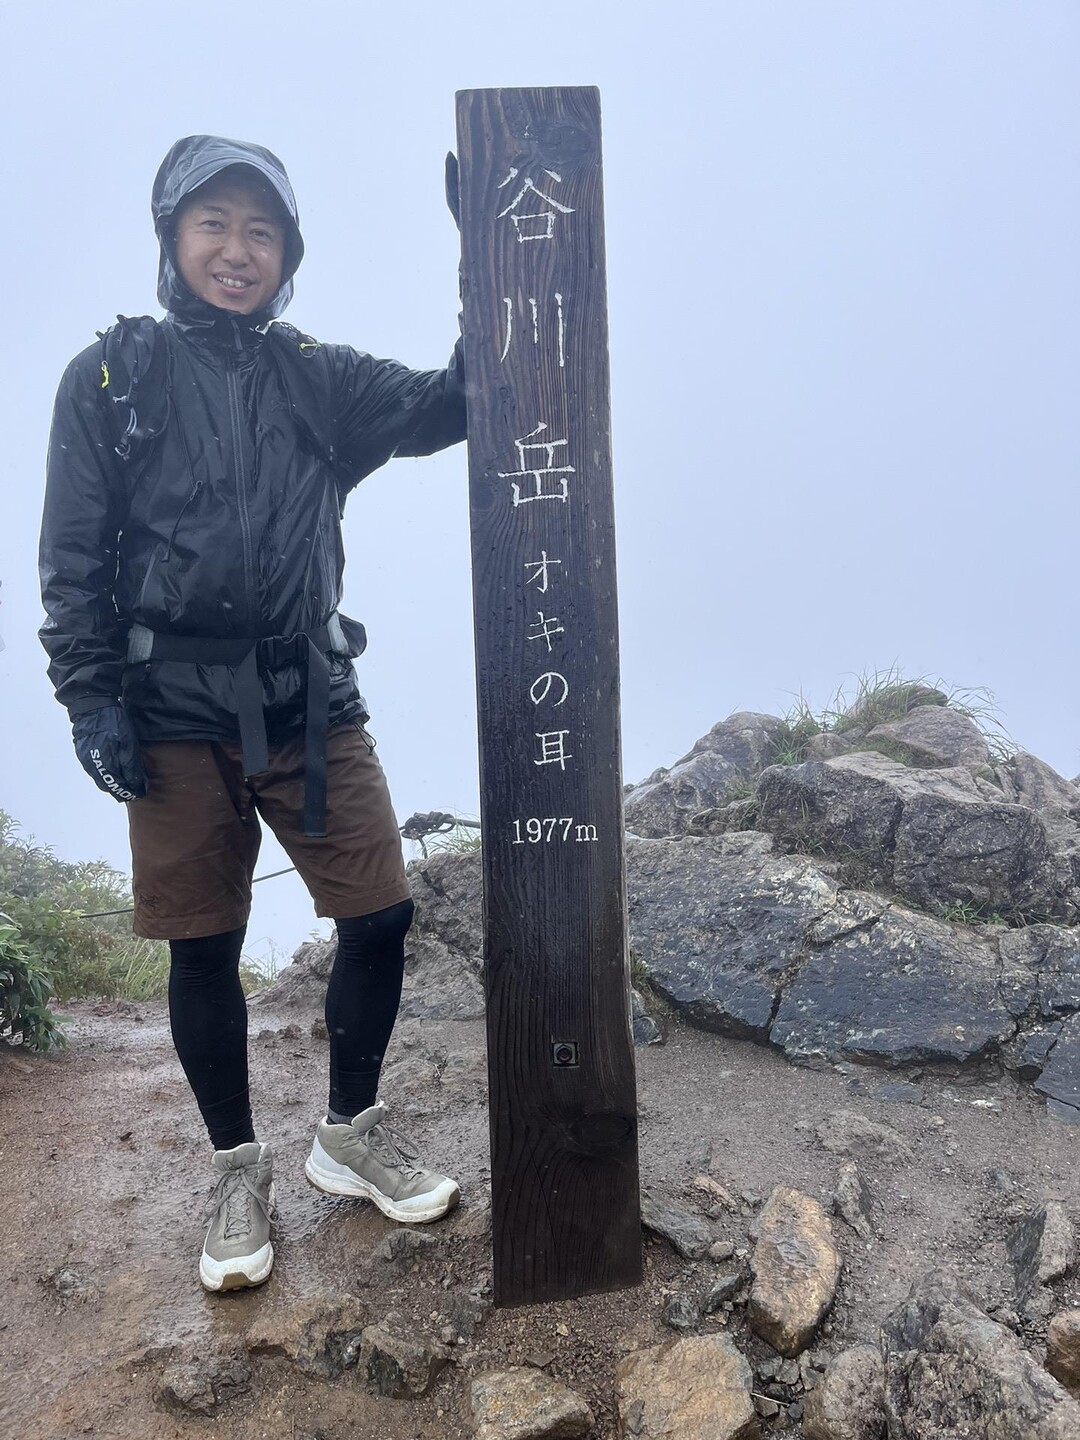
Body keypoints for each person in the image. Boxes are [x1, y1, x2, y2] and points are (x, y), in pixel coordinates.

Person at [38, 134, 467, 1291]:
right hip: (170, 712)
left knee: (378, 916)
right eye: (214, 224)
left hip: (310, 699)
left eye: (261, 231)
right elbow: (71, 556)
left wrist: (489, 256)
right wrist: (90, 698)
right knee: (203, 946)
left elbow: (454, 403)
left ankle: (350, 1132)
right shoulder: (113, 378)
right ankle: (238, 1167)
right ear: (173, 237)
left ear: (289, 254)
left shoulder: (314, 376)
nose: (238, 250)